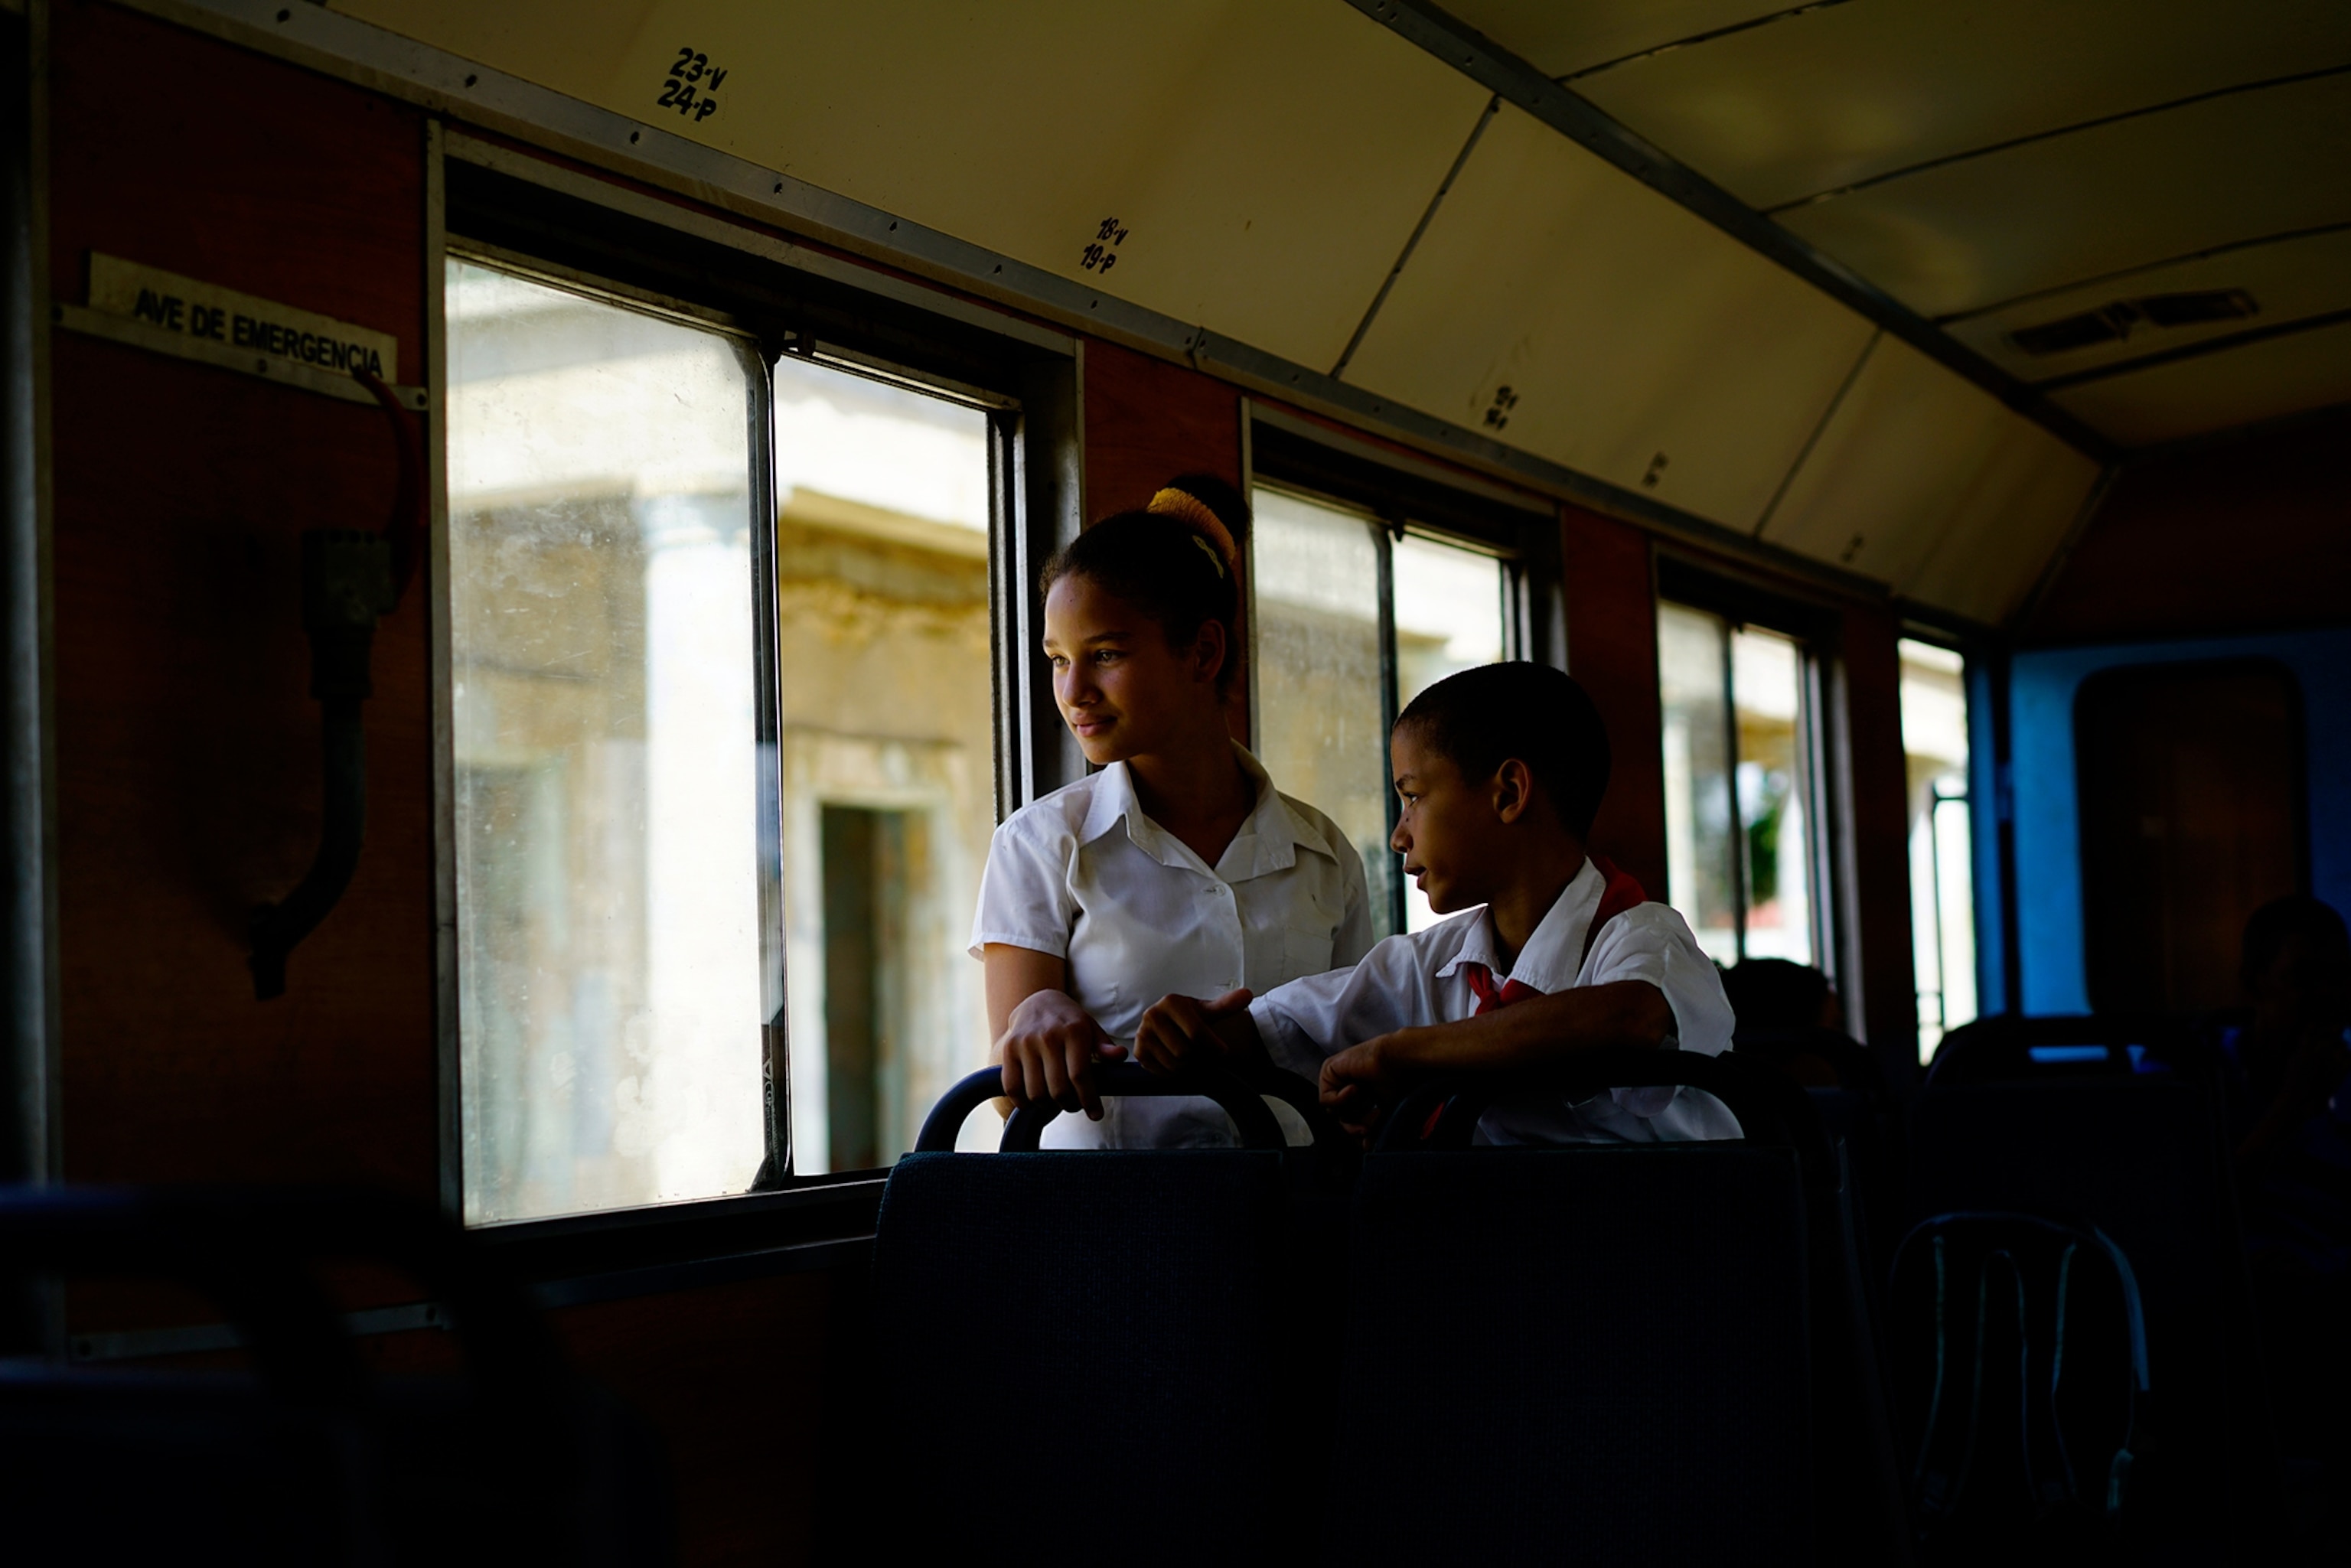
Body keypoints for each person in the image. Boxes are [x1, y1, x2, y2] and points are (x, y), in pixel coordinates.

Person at [1136, 660, 1736, 1144]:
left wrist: (1409, 1053)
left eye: (1413, 796)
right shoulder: (1434, 963)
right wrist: (1190, 1030)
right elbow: (1276, 1028)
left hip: (1668, 1256)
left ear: (1508, 793)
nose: (1399, 836)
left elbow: (1625, 1019)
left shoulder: (1645, 937)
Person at [973, 477, 1373, 1147]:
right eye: (1058, 660)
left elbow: (1358, 1060)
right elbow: (1011, 1097)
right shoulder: (1041, 844)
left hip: (1291, 1217)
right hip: (1111, 1229)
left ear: (1203, 652)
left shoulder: (1324, 855)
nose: (1074, 692)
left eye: (1106, 654)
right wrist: (1037, 1014)